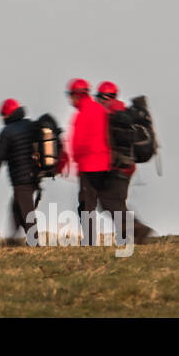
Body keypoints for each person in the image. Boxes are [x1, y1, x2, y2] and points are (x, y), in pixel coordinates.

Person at [97, 81, 155, 243]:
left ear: (106, 96)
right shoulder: (123, 111)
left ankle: (139, 229)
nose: (98, 100)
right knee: (117, 202)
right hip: (128, 166)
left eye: (100, 96)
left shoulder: (111, 114)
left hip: (118, 166)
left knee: (109, 202)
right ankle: (128, 235)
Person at [60, 78, 115, 245]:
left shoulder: (82, 114)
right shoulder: (100, 109)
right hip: (105, 164)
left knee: (86, 205)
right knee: (109, 203)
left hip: (88, 166)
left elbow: (78, 143)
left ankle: (90, 240)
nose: (70, 99)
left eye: (70, 95)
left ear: (77, 95)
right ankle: (131, 230)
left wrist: (74, 160)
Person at [0, 98, 40, 241]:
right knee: (16, 208)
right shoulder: (31, 125)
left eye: (3, 115)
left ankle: (34, 243)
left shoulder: (7, 132)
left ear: (7, 115)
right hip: (34, 175)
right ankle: (12, 241)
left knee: (26, 210)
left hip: (21, 177)